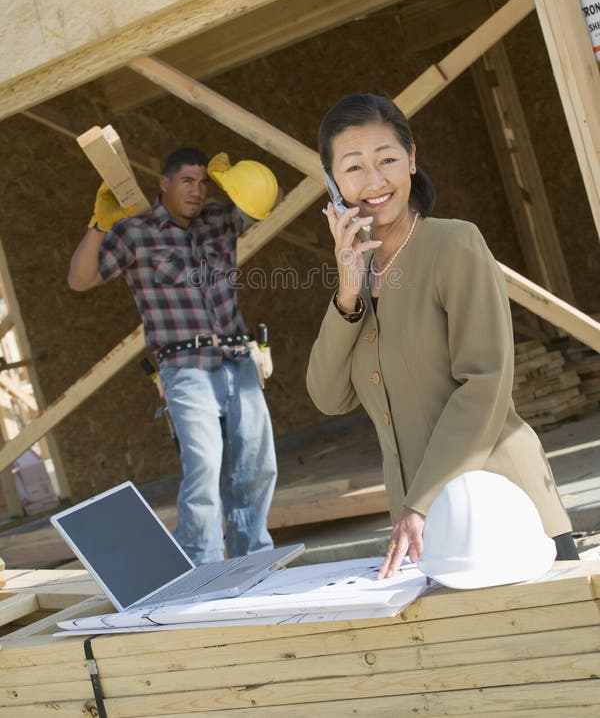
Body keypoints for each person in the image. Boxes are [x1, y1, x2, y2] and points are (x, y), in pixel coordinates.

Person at [306, 93, 577, 579]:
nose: (374, 181)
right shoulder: (360, 275)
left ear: (411, 159)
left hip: (504, 514)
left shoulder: (455, 244)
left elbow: (484, 385)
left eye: (387, 159)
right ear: (334, 184)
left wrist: (420, 503)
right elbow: (329, 397)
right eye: (353, 168)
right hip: (431, 538)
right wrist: (348, 293)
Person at [68, 147, 278, 565]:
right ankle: (201, 568)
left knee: (256, 468)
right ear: (163, 183)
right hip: (185, 368)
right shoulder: (135, 233)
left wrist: (230, 175)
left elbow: (261, 201)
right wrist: (97, 225)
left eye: (203, 183)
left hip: (238, 360)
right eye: (187, 181)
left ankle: (254, 561)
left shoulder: (220, 220)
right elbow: (80, 279)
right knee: (203, 468)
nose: (197, 191)